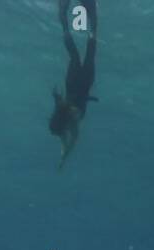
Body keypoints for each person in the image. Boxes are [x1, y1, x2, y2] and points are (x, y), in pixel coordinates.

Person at [49, 0, 98, 169]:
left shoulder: (70, 121)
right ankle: (72, 14)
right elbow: (66, 143)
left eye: (61, 133)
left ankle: (66, 14)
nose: (63, 135)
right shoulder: (65, 119)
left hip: (80, 84)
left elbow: (71, 140)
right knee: (85, 52)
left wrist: (64, 155)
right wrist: (63, 158)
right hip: (80, 83)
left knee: (87, 51)